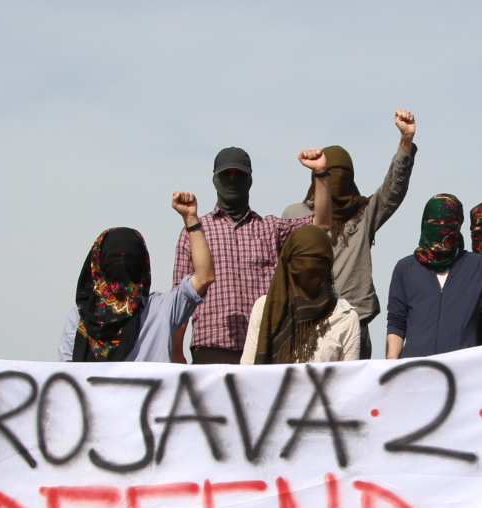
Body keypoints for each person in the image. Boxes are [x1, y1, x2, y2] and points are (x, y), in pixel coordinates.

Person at [171, 148, 333, 364]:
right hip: (212, 347)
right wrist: (175, 353)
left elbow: (321, 224)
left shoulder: (271, 228)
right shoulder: (196, 232)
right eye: (226, 175)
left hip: (264, 345)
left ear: (249, 180)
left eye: (238, 175)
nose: (232, 180)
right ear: (215, 179)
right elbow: (180, 299)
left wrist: (320, 172)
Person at [281, 110, 419, 357]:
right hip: (305, 320)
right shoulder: (297, 214)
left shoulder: (363, 214)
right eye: (330, 172)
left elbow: (393, 189)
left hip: (354, 317)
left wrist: (405, 141)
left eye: (343, 173)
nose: (337, 179)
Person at [56, 193, 215, 363]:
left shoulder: (161, 310)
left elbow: (204, 277)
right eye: (114, 259)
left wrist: (191, 219)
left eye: (130, 259)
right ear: (99, 267)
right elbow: (67, 373)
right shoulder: (79, 318)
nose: (122, 265)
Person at [384, 193, 482, 359]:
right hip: (415, 372)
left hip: (461, 372)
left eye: (448, 223)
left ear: (458, 226)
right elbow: (397, 321)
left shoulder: (478, 265)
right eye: (435, 223)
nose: (441, 228)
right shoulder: (405, 268)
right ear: (424, 224)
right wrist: (391, 364)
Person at [241, 225, 363, 364]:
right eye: (302, 259)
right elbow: (247, 368)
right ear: (288, 261)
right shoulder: (265, 307)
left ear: (328, 264)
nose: (309, 267)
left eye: (318, 260)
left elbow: (347, 378)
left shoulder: (344, 316)